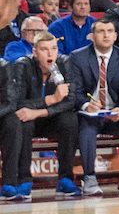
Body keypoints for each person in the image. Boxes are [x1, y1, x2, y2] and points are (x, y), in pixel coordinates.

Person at [68, 18, 119, 195]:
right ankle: (89, 177)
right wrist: (86, 105)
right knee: (86, 126)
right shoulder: (78, 57)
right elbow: (76, 93)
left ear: (115, 36)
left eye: (109, 31)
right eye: (101, 31)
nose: (106, 35)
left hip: (114, 113)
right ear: (92, 36)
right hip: (90, 114)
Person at [1, 31, 80, 200]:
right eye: (44, 49)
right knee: (22, 120)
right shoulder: (23, 64)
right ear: (35, 52)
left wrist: (42, 109)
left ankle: (65, 178)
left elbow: (70, 101)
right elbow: (18, 102)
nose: (50, 53)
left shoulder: (64, 63)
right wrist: (51, 99)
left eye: (54, 48)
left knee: (70, 120)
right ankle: (24, 179)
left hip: (51, 118)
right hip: (29, 119)